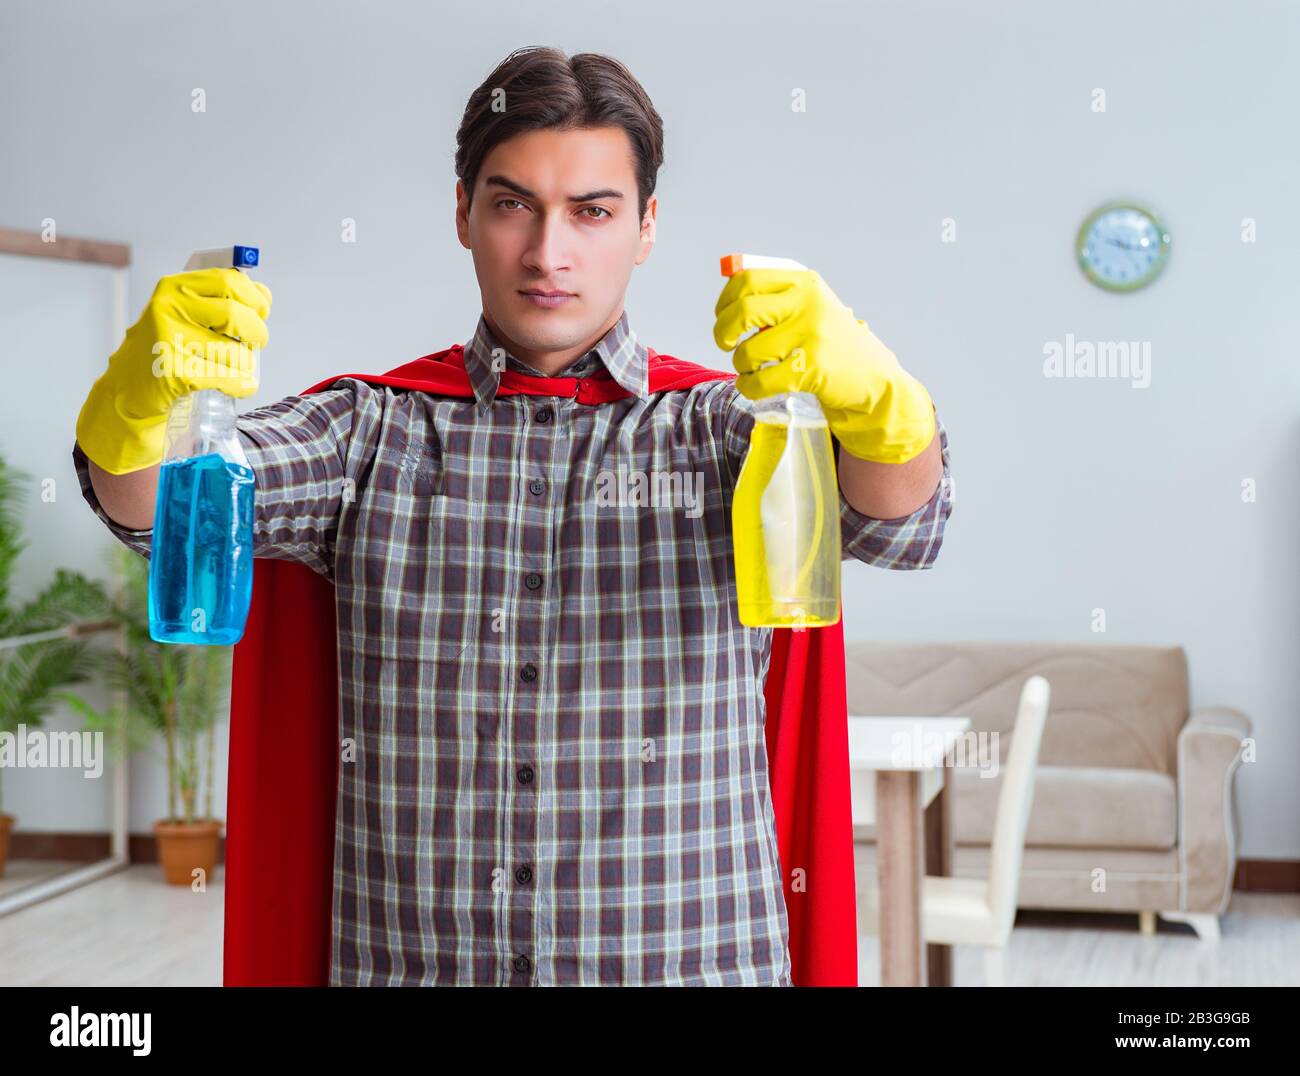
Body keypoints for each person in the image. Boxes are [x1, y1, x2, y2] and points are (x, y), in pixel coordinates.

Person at [71, 46, 953, 986]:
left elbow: (903, 522)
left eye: (592, 211)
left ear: (647, 226)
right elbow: (161, 512)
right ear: (463, 215)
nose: (547, 252)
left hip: (690, 964)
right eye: (512, 204)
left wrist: (879, 402)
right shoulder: (366, 432)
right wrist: (135, 411)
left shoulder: (729, 436)